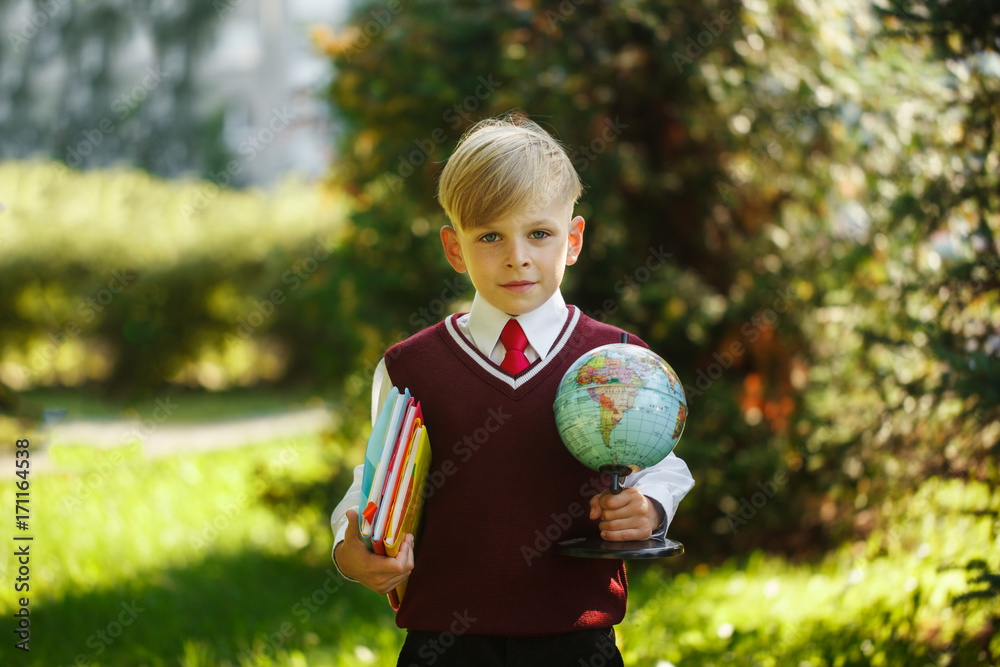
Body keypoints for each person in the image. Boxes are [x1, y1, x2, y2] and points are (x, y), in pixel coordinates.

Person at [330, 113, 695, 666]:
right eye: (490, 236)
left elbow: (664, 466)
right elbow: (375, 481)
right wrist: (348, 550)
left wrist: (650, 508)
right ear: (456, 249)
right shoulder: (409, 367)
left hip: (575, 640)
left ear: (572, 240)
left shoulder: (620, 359)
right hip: (444, 644)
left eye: (540, 234)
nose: (517, 256)